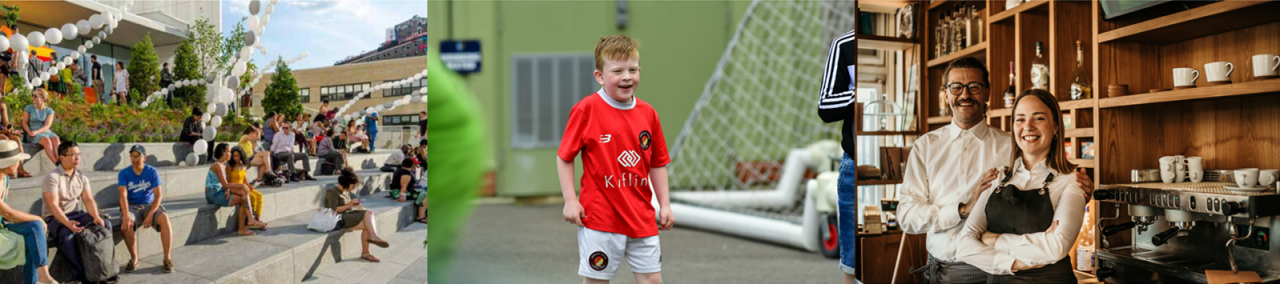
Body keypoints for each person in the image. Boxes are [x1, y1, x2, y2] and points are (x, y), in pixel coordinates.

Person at [898, 57, 1093, 284]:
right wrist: (961, 210)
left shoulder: (1012, 146)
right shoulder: (925, 146)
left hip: (997, 272)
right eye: (956, 87)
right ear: (946, 94)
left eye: (974, 86)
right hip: (941, 269)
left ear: (987, 92)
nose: (965, 94)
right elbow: (907, 216)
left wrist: (1076, 192)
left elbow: (1046, 173)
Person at [557, 35, 674, 284]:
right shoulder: (586, 110)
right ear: (599, 76)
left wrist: (664, 204)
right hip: (601, 219)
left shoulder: (648, 114)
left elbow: (658, 162)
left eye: (633, 69)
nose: (627, 76)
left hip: (641, 217)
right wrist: (570, 200)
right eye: (617, 71)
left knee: (653, 280)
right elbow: (565, 157)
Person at [953, 89, 1088, 282]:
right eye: (1020, 119)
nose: (1028, 126)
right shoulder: (996, 177)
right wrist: (1015, 264)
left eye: (1039, 118)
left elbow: (1057, 246)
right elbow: (965, 246)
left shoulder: (1071, 181)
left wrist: (994, 240)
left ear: (1056, 127)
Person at [814, 29, 858, 283]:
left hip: (909, 163)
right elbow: (825, 107)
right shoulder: (845, 45)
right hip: (857, 162)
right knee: (852, 259)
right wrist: (863, 91)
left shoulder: (913, 36)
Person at [42, 141, 110, 283]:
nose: (77, 158)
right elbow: (53, 206)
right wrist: (67, 223)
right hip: (54, 218)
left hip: (76, 214)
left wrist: (96, 217)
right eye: (72, 155)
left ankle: (103, 269)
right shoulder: (52, 177)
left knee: (106, 225)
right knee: (67, 236)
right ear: (62, 158)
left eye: (78, 154)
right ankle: (80, 275)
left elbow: (89, 200)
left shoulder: (82, 177)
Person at [0, 140, 59, 284]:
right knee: (35, 226)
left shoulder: (5, 180)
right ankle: (42, 277)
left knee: (34, 230)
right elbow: (8, 214)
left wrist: (36, 221)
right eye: (17, 161)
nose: (19, 165)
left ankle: (41, 276)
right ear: (6, 163)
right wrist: (37, 218)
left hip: (2, 227)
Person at [117, 144, 174, 273]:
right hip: (131, 206)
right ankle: (134, 258)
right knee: (127, 222)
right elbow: (123, 195)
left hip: (149, 205)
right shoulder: (124, 173)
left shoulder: (152, 171)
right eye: (132, 156)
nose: (134, 158)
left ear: (144, 158)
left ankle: (167, 258)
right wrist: (125, 215)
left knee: (165, 218)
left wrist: (150, 215)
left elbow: (158, 196)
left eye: (138, 156)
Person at [325, 168, 390, 262]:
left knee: (368, 223)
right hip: (338, 219)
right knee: (369, 215)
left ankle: (366, 252)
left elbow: (347, 206)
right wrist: (350, 204)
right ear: (346, 183)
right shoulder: (332, 192)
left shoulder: (345, 190)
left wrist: (354, 205)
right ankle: (373, 239)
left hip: (348, 215)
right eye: (353, 186)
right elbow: (334, 210)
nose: (353, 188)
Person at [205, 143, 268, 236]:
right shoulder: (217, 166)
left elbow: (224, 183)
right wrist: (241, 186)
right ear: (222, 152)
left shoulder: (222, 165)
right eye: (228, 151)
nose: (230, 154)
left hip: (219, 191)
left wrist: (227, 190)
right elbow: (226, 184)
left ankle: (249, 222)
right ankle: (244, 225)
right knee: (243, 196)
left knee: (244, 194)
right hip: (213, 194)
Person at [227, 147, 265, 223]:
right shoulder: (229, 166)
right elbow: (227, 181)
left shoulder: (243, 165)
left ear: (242, 155)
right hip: (235, 189)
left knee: (259, 196)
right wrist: (228, 191)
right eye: (234, 156)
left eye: (238, 156)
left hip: (244, 187)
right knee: (253, 197)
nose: (236, 158)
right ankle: (250, 220)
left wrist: (249, 186)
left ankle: (258, 219)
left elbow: (243, 179)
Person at [23, 89, 61, 165]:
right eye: (32, 95)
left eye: (35, 96)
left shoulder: (49, 111)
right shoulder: (29, 108)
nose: (33, 97)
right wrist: (29, 132)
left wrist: (37, 131)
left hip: (45, 131)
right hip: (33, 132)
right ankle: (58, 164)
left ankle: (61, 161)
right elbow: (24, 123)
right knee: (46, 140)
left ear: (43, 98)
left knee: (55, 139)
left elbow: (47, 125)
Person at [0, 92, 31, 178]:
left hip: (2, 131)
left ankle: (20, 169)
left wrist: (9, 128)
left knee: (16, 139)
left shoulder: (1, 105)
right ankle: (7, 170)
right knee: (4, 139)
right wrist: (3, 132)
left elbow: (5, 122)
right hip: (1, 134)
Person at [391, 158, 425, 224]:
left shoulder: (401, 170)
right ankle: (421, 216)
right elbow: (403, 186)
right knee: (425, 195)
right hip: (398, 192)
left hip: (400, 191)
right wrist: (402, 198)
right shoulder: (406, 174)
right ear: (412, 165)